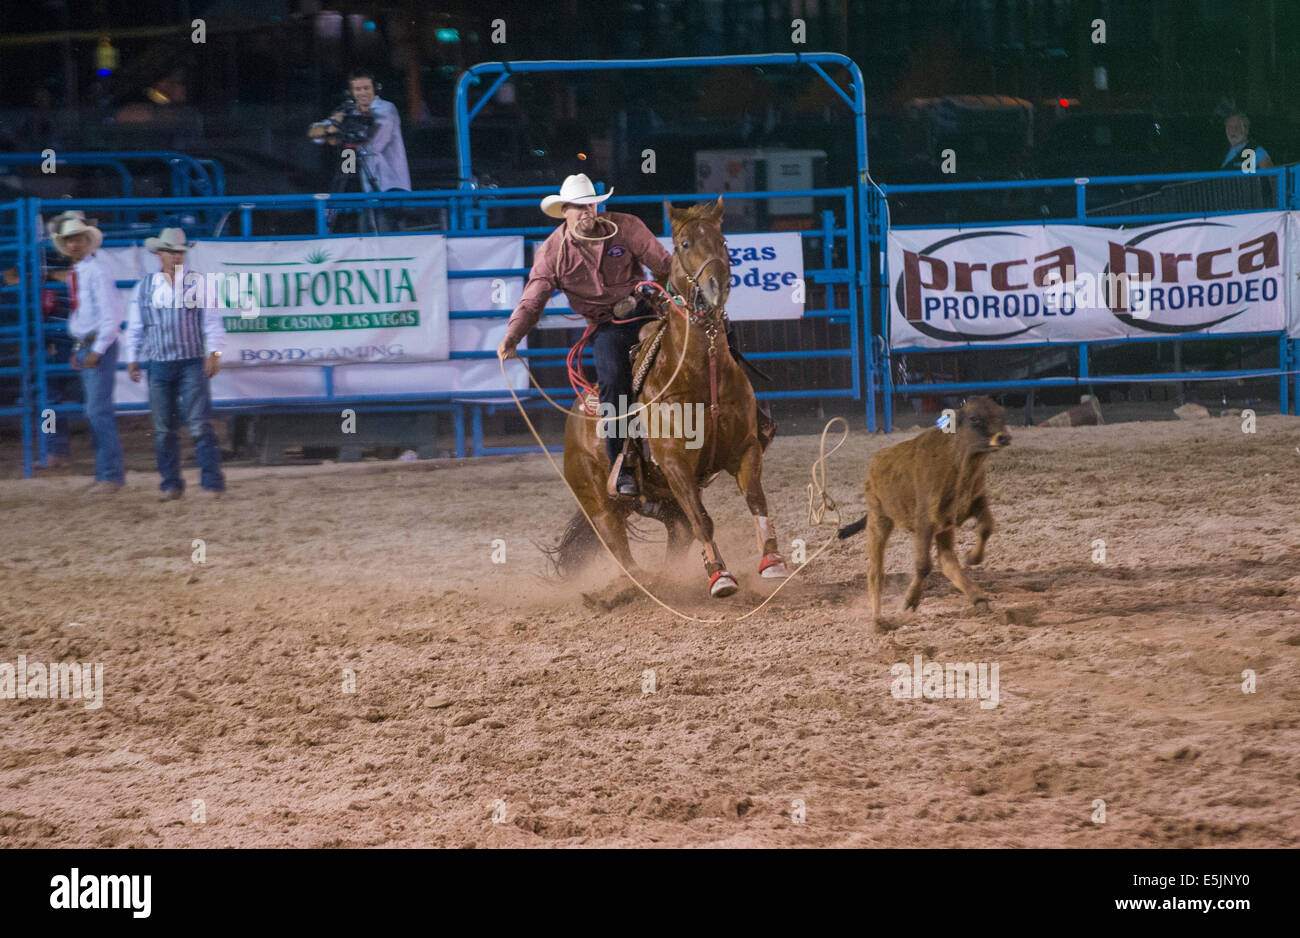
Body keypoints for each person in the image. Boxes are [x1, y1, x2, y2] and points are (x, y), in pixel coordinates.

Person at [497, 174, 671, 497]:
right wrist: (512, 336)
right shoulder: (553, 253)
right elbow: (533, 299)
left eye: (590, 204)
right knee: (613, 376)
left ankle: (739, 421)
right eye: (578, 207)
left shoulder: (627, 226)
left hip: (646, 311)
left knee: (700, 340)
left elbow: (663, 264)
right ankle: (622, 463)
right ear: (565, 211)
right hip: (606, 326)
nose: (586, 211)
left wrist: (673, 295)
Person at [124, 229, 227, 500]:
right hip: (161, 363)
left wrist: (214, 353)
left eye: (180, 251)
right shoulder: (144, 287)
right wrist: (132, 357)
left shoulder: (197, 283)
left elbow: (212, 320)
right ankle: (172, 483)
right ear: (160, 254)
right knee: (164, 428)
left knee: (198, 424)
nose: (177, 256)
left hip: (190, 362)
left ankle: (210, 483)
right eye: (171, 251)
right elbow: (136, 326)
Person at [49, 211, 125, 493]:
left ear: (86, 240)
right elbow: (90, 313)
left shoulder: (95, 271)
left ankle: (111, 476)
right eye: (69, 240)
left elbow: (111, 314)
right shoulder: (81, 271)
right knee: (96, 412)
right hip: (88, 345)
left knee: (97, 411)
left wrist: (96, 348)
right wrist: (81, 346)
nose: (73, 245)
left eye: (78, 239)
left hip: (96, 346)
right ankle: (105, 474)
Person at [309, 70, 411, 232]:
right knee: (357, 230)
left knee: (385, 232)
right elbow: (315, 134)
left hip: (387, 184)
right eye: (358, 89)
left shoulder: (386, 108)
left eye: (366, 88)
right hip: (358, 178)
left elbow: (374, 146)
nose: (362, 93)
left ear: (375, 89)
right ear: (351, 92)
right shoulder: (349, 111)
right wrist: (334, 128)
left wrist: (337, 135)